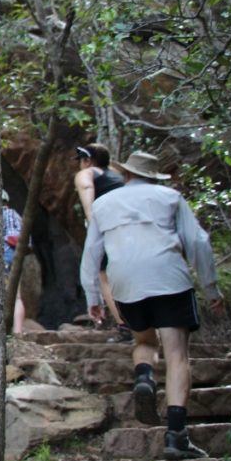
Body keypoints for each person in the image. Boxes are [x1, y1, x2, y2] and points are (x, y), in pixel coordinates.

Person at [80, 151, 223, 460]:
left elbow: (91, 253)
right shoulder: (169, 197)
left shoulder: (103, 204)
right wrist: (211, 288)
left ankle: (144, 376)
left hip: (125, 282)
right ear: (153, 175)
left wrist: (93, 298)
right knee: (176, 355)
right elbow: (197, 241)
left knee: (144, 340)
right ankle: (176, 437)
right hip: (168, 277)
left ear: (126, 175)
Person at [73, 143, 131, 342]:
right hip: (132, 228)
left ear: (87, 160)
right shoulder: (117, 174)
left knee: (104, 275)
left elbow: (87, 188)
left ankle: (126, 326)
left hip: (108, 228)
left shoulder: (86, 173)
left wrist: (92, 221)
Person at [2, 190, 26, 334]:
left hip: (0, 258)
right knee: (16, 297)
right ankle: (17, 331)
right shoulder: (15, 215)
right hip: (14, 259)